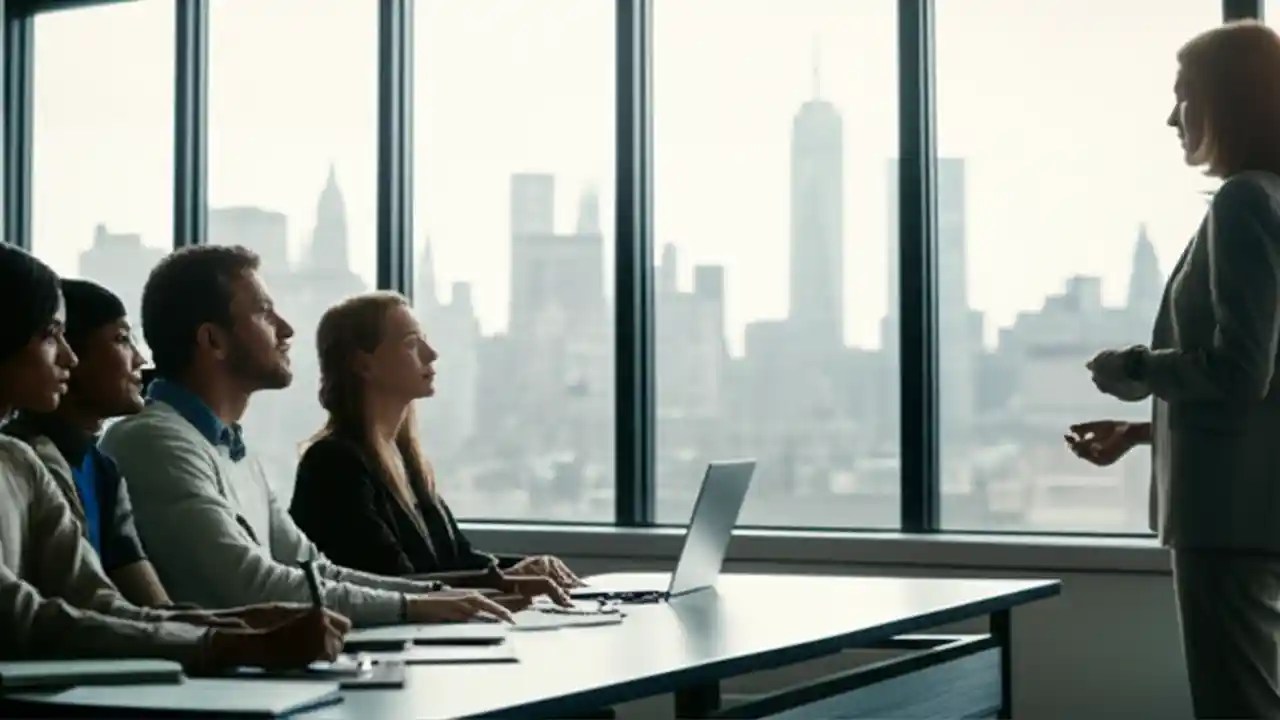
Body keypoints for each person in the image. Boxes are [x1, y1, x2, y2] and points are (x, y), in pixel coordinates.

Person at [100, 245, 518, 627]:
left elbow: (316, 570)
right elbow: (251, 585)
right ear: (213, 340)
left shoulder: (232, 449)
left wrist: (444, 596)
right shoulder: (155, 443)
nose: (285, 329)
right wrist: (414, 606)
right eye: (264, 313)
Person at [1067, 20, 1280, 719]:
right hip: (1258, 515)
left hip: (1228, 526)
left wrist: (1136, 366)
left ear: (1227, 102)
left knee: (1236, 705)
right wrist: (1140, 435)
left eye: (1184, 95)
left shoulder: (1245, 201)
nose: (1171, 116)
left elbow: (1240, 372)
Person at [0, 243, 347, 671]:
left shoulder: (22, 462)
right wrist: (227, 641)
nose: (67, 356)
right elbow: (23, 618)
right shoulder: (142, 445)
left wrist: (234, 623)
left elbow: (102, 603)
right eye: (51, 335)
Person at [290, 291, 581, 596]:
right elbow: (391, 582)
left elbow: (456, 558)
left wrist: (522, 569)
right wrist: (506, 583)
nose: (431, 354)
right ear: (364, 365)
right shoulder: (333, 463)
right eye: (412, 344)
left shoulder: (404, 458)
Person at [4, 279, 173, 608]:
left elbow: (148, 604)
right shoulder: (23, 460)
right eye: (122, 339)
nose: (139, 359)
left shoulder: (102, 469)